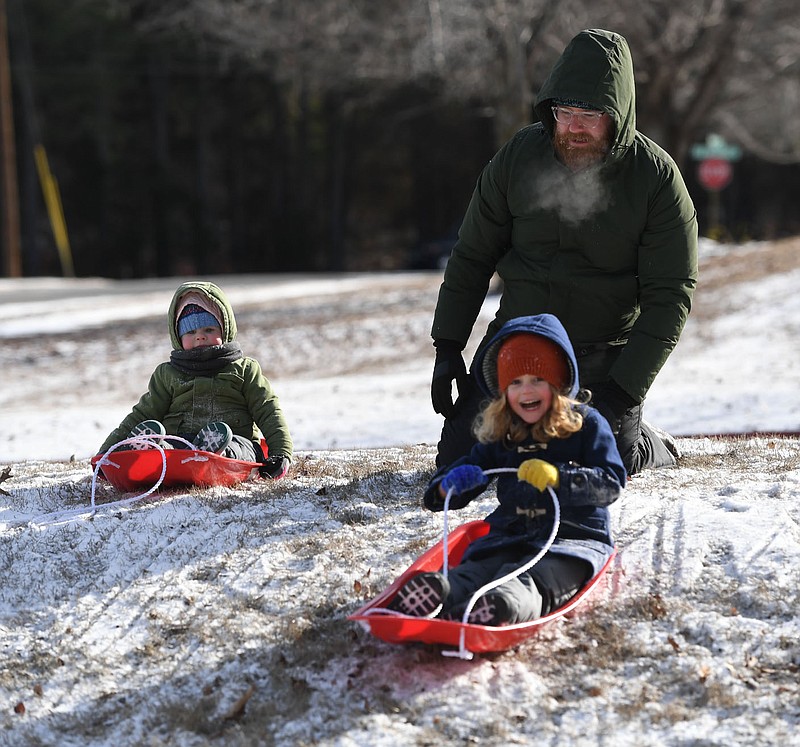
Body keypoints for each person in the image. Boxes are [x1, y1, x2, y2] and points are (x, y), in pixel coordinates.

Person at [430, 28, 698, 475]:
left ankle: (649, 441)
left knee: (604, 459)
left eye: (590, 114)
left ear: (618, 115)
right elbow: (473, 255)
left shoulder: (656, 179)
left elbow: (671, 295)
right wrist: (448, 346)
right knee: (462, 463)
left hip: (603, 357)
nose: (573, 127)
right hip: (518, 346)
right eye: (565, 111)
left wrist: (625, 391)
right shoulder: (518, 157)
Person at [389, 314, 625, 625]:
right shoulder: (506, 433)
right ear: (503, 390)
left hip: (572, 541)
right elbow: (468, 471)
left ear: (558, 382)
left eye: (537, 380)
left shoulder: (586, 425)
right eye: (515, 382)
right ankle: (442, 592)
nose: (526, 391)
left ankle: (501, 606)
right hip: (511, 534)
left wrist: (560, 478)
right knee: (481, 566)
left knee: (537, 579)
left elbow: (611, 483)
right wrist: (449, 484)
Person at [97, 281, 293, 479]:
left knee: (243, 449)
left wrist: (281, 453)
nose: (200, 337)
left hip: (233, 441)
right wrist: (108, 451)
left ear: (224, 330)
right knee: (174, 448)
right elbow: (143, 413)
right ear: (178, 336)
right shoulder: (168, 374)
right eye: (190, 332)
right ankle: (152, 449)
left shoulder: (244, 370)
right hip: (183, 446)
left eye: (208, 330)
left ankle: (219, 454)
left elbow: (268, 410)